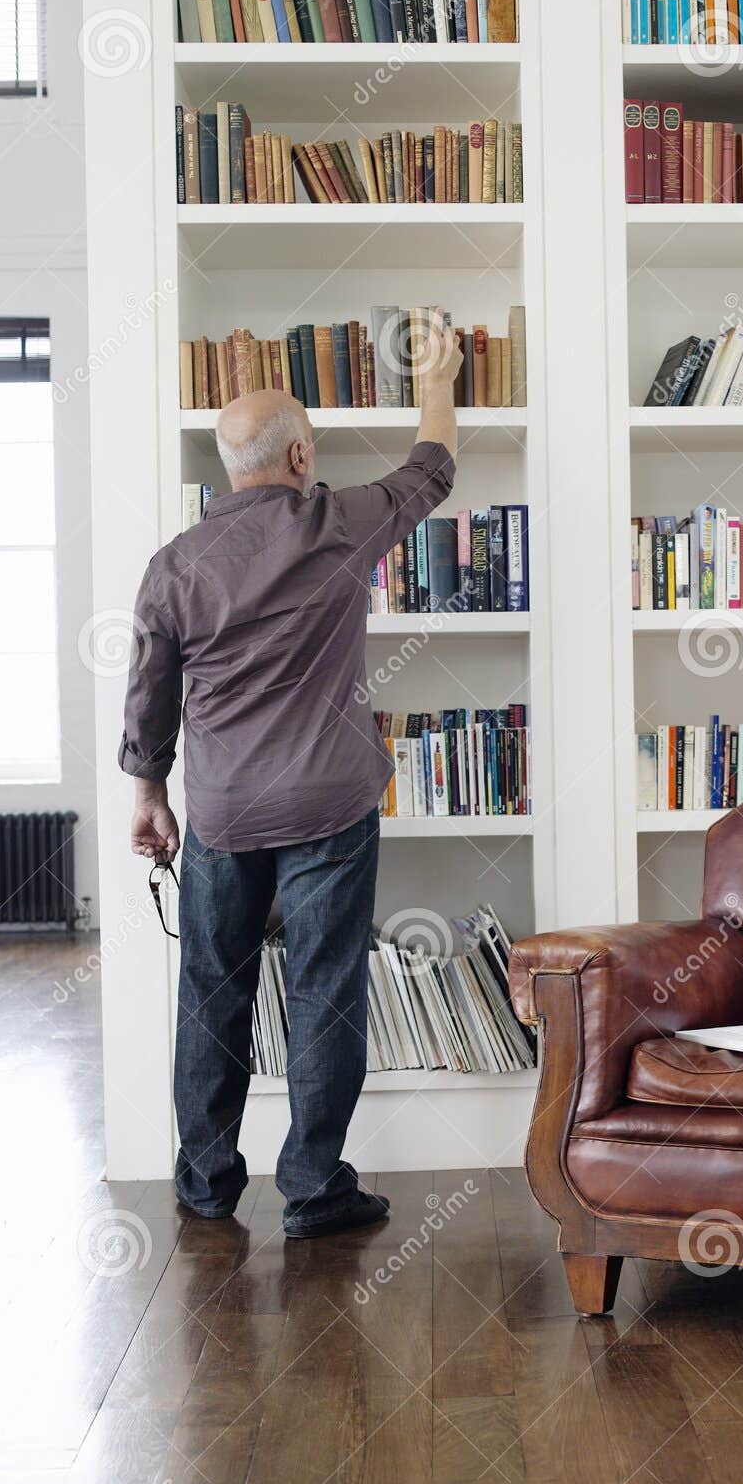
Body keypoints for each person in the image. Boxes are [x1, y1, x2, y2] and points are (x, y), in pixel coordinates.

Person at [119, 316, 463, 1237]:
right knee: (324, 991)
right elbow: (433, 469)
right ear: (301, 454)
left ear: (233, 468)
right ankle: (314, 1190)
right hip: (329, 806)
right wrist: (439, 375)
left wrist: (149, 795)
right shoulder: (336, 522)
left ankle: (203, 1185)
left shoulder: (174, 566)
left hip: (223, 815)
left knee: (211, 993)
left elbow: (149, 698)